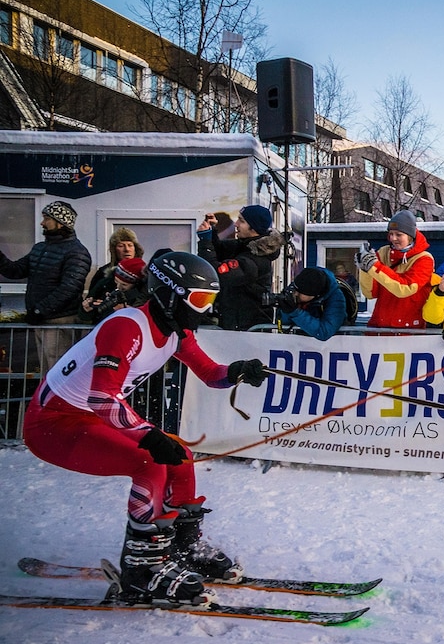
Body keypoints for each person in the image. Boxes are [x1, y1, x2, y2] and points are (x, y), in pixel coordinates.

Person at [22, 251, 269, 605]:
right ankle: (142, 570)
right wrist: (149, 436)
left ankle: (184, 547)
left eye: (211, 300)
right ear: (171, 294)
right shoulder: (126, 326)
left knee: (180, 455)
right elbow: (102, 397)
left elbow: (211, 374)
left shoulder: (175, 331)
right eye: (200, 299)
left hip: (89, 416)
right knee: (149, 461)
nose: (205, 309)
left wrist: (238, 370)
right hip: (54, 423)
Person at [0, 200, 92, 371]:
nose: (42, 223)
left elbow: (70, 288)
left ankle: (58, 399)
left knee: (58, 372)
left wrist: (39, 310)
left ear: (61, 222)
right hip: (43, 320)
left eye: (46, 218)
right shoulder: (40, 248)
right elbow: (16, 271)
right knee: (46, 372)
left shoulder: (77, 252)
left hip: (60, 321)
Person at [196, 204, 283, 331]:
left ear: (254, 228)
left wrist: (205, 242)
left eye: (241, 221)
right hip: (237, 327)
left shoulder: (254, 260)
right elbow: (220, 251)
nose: (236, 224)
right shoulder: (246, 246)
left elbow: (216, 273)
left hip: (245, 332)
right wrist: (212, 232)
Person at [356, 209, 435, 329]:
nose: (393, 238)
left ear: (410, 236)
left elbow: (404, 288)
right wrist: (364, 269)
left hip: (409, 330)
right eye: (391, 234)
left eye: (399, 235)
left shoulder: (424, 259)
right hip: (380, 326)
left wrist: (373, 266)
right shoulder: (383, 253)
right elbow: (370, 293)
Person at [276, 266, 349, 341]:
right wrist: (286, 309)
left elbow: (324, 332)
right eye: (294, 289)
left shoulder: (336, 299)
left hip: (333, 345)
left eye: (300, 292)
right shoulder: (303, 281)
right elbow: (283, 323)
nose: (296, 294)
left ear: (315, 295)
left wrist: (295, 312)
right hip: (298, 342)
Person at [83, 227, 144, 310]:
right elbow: (90, 300)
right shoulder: (103, 273)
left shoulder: (145, 274)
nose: (127, 249)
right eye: (121, 246)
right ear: (114, 250)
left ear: (135, 248)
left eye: (130, 245)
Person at [79, 257, 148, 325]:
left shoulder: (143, 294)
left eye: (124, 284)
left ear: (136, 284)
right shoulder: (105, 284)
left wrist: (125, 310)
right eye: (116, 281)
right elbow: (85, 317)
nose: (118, 287)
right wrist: (86, 309)